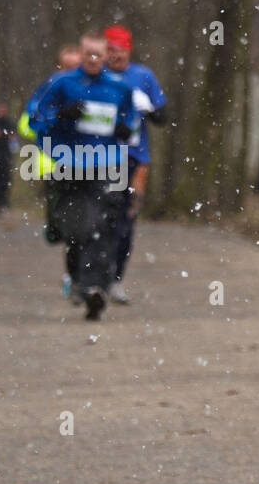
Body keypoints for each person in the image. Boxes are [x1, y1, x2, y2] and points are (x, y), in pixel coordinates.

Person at [30, 29, 136, 320]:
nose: (92, 59)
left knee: (103, 224)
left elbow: (130, 119)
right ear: (81, 52)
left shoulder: (118, 88)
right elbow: (35, 116)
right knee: (76, 229)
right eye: (87, 53)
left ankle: (95, 288)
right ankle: (77, 279)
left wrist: (125, 130)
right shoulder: (62, 83)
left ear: (106, 57)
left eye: (98, 55)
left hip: (107, 164)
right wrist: (61, 115)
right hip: (69, 163)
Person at [103, 24, 167, 305]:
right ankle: (90, 275)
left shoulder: (143, 76)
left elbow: (163, 117)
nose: (115, 56)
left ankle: (115, 279)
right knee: (99, 218)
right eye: (110, 50)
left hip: (134, 159)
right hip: (98, 156)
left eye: (120, 50)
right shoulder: (96, 77)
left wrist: (149, 108)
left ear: (129, 50)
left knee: (126, 220)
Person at [19, 43, 83, 291]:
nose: (71, 72)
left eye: (76, 67)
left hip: (88, 165)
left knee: (82, 225)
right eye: (67, 67)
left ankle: (75, 276)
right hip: (53, 165)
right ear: (59, 67)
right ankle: (56, 230)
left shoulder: (93, 91)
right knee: (62, 223)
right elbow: (26, 124)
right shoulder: (50, 89)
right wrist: (54, 121)